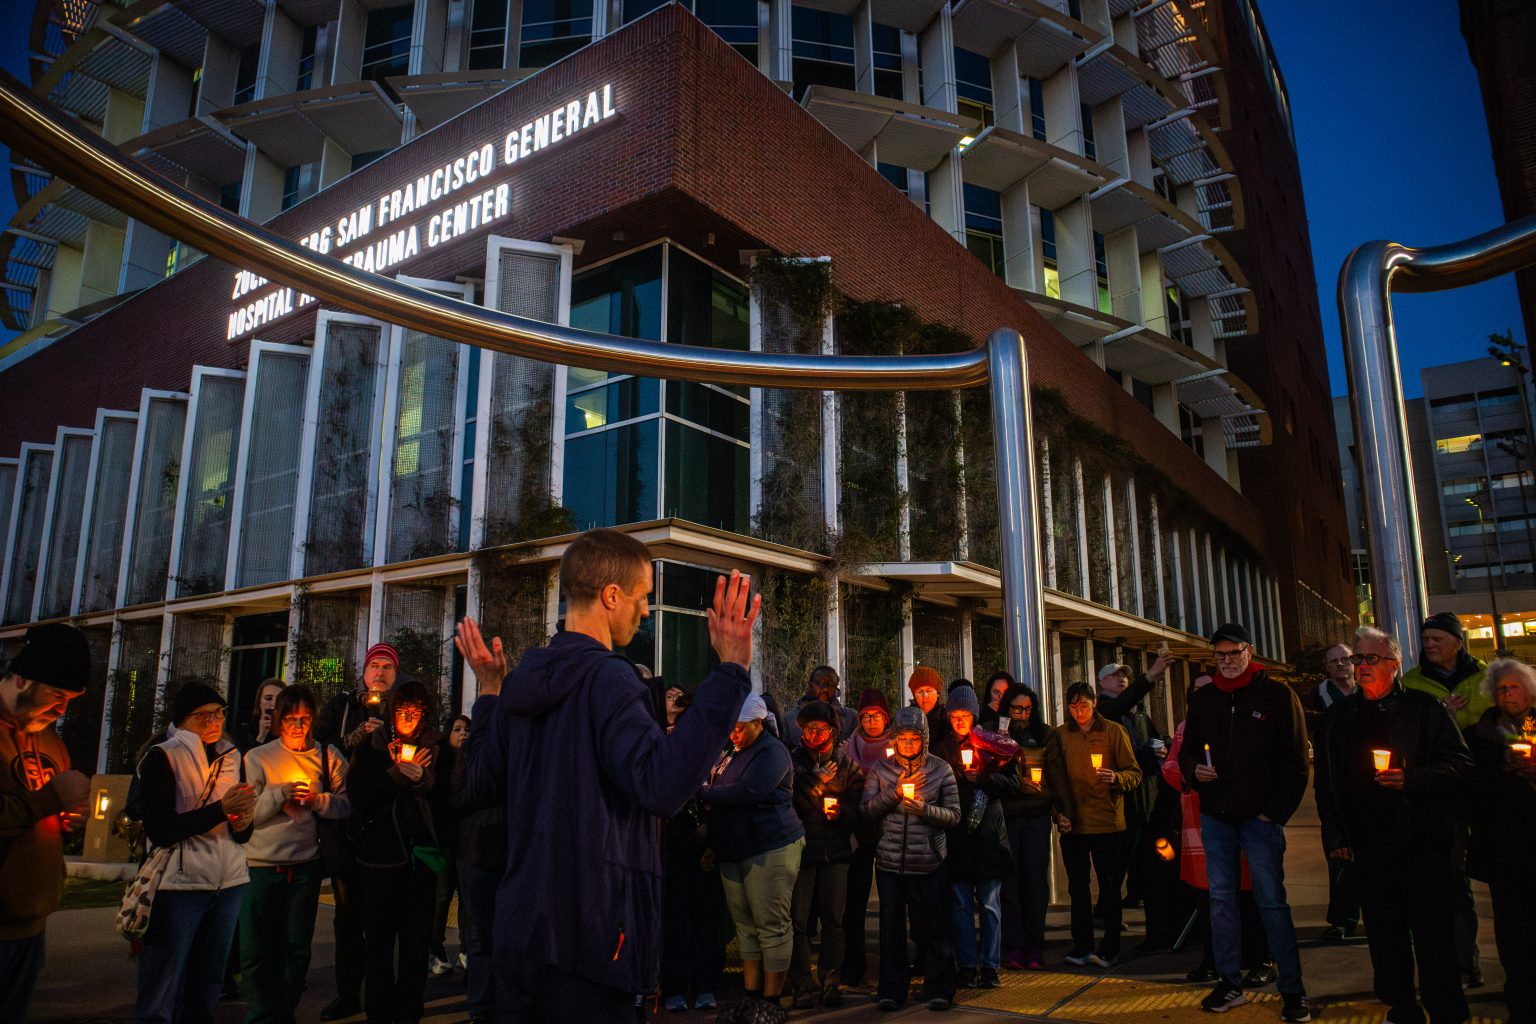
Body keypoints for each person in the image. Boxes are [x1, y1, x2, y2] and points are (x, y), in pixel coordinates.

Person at [457, 528, 758, 1021]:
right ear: (611, 596)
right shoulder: (610, 678)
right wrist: (730, 672)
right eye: (641, 597)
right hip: (593, 938)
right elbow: (661, 785)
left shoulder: (522, 681)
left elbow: (481, 781)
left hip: (522, 932)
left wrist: (489, 691)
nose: (646, 612)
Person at [1314, 627, 1473, 1024]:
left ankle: (1447, 1010)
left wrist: (1412, 778)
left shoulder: (1423, 709)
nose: (1362, 666)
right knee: (1385, 936)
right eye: (1358, 659)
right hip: (1369, 844)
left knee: (1434, 934)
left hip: (1423, 842)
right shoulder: (1339, 717)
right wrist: (1335, 835)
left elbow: (1460, 764)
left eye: (1371, 658)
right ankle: (1402, 1007)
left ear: (1394, 664)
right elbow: (1327, 784)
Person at [1176, 623, 1311, 1023]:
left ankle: (1293, 990)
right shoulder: (1205, 699)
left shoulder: (1277, 695)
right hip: (1217, 815)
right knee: (1221, 902)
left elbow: (1296, 760)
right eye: (1220, 655)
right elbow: (1185, 752)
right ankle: (1229, 982)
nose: (1227, 661)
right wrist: (1194, 770)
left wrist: (1274, 813)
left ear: (1249, 651)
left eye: (1234, 653)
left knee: (1271, 902)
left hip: (1259, 818)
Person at [133, 682, 256, 1024]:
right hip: (179, 887)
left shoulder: (232, 756)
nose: (214, 721)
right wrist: (221, 809)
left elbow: (241, 832)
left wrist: (244, 820)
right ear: (183, 719)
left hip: (228, 882)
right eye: (204, 715)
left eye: (218, 713)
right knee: (162, 985)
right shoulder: (163, 757)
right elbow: (161, 829)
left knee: (207, 984)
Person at [239, 684, 350, 1024]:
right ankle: (261, 1015)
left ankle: (285, 1011)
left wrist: (318, 801)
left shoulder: (327, 756)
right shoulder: (258, 757)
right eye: (291, 719)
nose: (298, 726)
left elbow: (347, 804)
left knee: (296, 949)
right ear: (278, 720)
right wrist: (279, 795)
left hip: (305, 867)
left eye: (305, 718)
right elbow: (248, 815)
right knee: (257, 949)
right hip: (262, 865)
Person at [0, 623, 92, 1020]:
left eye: (71, 699)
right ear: (22, 679)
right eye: (57, 695)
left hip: (32, 920)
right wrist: (49, 800)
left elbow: (40, 812)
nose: (62, 710)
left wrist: (66, 818)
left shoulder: (49, 740)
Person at [1163, 674, 1272, 986]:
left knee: (1248, 893)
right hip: (1199, 821)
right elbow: (1171, 767)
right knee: (1207, 896)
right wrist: (1192, 773)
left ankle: (1260, 959)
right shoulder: (1185, 729)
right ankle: (1213, 959)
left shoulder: (1243, 721)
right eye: (1197, 691)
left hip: (1240, 818)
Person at [700, 693, 805, 1010]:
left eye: (740, 727)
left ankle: (771, 998)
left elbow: (749, 791)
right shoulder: (731, 751)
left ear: (759, 723)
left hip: (769, 845)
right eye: (730, 727)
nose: (734, 733)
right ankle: (751, 993)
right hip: (734, 846)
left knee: (770, 924)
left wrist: (704, 792)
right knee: (745, 925)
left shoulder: (772, 752)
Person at [312, 641, 399, 1021]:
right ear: (363, 672)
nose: (379, 673)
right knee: (347, 917)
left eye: (387, 667)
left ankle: (382, 995)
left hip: (384, 828)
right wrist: (355, 737)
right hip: (345, 826)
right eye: (374, 666)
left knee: (381, 919)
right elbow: (320, 749)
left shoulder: (400, 709)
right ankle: (348, 993)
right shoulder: (342, 707)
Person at [346, 678, 441, 1024]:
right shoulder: (373, 746)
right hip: (379, 860)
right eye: (402, 710)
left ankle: (409, 1010)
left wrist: (424, 780)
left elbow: (447, 801)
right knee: (379, 943)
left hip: (421, 861)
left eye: (416, 711)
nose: (409, 717)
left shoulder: (436, 748)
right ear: (391, 711)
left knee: (416, 944)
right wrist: (395, 776)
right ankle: (379, 1010)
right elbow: (358, 795)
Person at [1399, 612, 1487, 986]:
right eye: (1426, 639)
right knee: (1452, 880)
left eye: (1438, 638)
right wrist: (1442, 715)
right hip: (1439, 793)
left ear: (1457, 642)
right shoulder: (1411, 682)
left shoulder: (1484, 678)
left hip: (1485, 789)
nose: (1430, 645)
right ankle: (1462, 963)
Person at [862, 706, 961, 1012]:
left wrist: (925, 810)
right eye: (902, 738)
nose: (908, 744)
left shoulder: (941, 770)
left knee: (935, 925)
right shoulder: (881, 769)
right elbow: (866, 809)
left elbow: (954, 815)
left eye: (914, 738)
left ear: (924, 739)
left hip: (930, 859)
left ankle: (939, 987)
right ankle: (892, 989)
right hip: (891, 860)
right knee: (891, 927)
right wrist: (892, 794)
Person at [1461, 657, 1536, 1024]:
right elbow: (1469, 791)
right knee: (1513, 933)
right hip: (1505, 851)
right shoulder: (1479, 736)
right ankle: (1521, 1004)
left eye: (1515, 687)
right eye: (1502, 688)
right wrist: (1500, 772)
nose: (1508, 693)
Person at [932, 684, 1017, 989]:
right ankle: (967, 965)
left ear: (974, 716)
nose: (960, 721)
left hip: (988, 836)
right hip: (957, 838)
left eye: (965, 715)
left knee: (991, 906)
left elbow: (1012, 784)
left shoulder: (992, 744)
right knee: (961, 906)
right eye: (955, 715)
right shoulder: (940, 748)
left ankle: (990, 966)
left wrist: (982, 778)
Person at [1055, 681, 1140, 969]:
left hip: (1107, 823)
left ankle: (1110, 948)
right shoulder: (1061, 735)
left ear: (1094, 704)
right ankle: (1082, 945)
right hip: (1074, 824)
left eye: (1084, 705)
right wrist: (1059, 813)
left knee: (1109, 887)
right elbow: (1055, 779)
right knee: (1078, 888)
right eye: (1073, 706)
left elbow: (1134, 772)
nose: (1079, 712)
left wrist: (1116, 778)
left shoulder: (1113, 731)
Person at [787, 699, 862, 1008]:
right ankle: (801, 982)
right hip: (802, 852)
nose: (814, 734)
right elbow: (790, 806)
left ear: (833, 731)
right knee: (798, 921)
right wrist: (816, 784)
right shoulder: (793, 763)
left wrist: (840, 813)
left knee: (833, 919)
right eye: (809, 728)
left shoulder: (846, 765)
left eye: (821, 729)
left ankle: (831, 979)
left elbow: (858, 810)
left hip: (835, 853)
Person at [997, 682, 1070, 971]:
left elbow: (1056, 772)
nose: (1022, 714)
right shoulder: (997, 733)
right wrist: (1017, 785)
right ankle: (1015, 945)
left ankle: (1035, 945)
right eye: (1017, 709)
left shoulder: (1044, 734)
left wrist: (1064, 811)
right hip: (1008, 814)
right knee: (1011, 883)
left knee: (1035, 882)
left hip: (1037, 815)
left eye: (1027, 709)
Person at [659, 692, 723, 1014]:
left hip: (703, 849)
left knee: (704, 920)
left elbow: (718, 798)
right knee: (676, 920)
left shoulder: (713, 752)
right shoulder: (663, 749)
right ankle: (674, 985)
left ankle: (704, 984)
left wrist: (712, 843)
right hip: (672, 848)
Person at [1096, 654, 1171, 909]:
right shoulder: (1105, 710)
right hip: (1121, 788)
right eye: (1115, 675)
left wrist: (1163, 747)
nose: (1121, 678)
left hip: (1146, 784)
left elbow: (1155, 736)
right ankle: (1107, 905)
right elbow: (1121, 704)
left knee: (1144, 844)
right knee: (1122, 848)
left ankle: (1136, 893)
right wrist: (1150, 676)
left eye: (1124, 675)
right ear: (1101, 682)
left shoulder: (1137, 711)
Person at [1300, 643, 1360, 942]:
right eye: (1333, 661)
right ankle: (1342, 920)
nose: (1340, 664)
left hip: (1369, 780)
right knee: (1338, 853)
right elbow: (1303, 720)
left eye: (1345, 659)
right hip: (1332, 782)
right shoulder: (1318, 696)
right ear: (1326, 667)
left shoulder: (1368, 691)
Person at [450, 709, 503, 1024]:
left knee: (504, 935)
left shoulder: (518, 746)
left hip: (509, 852)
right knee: (480, 935)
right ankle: (481, 1008)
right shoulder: (471, 751)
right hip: (476, 851)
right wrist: (483, 788)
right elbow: (456, 799)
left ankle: (502, 1002)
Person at [841, 688, 893, 988]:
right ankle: (853, 963)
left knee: (891, 903)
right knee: (854, 903)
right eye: (866, 716)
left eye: (877, 715)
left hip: (888, 832)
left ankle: (891, 964)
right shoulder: (847, 749)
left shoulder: (898, 748)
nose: (872, 721)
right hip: (857, 833)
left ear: (886, 718)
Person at [427, 714, 468, 976]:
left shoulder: (473, 762)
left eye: (466, 729)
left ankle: (466, 948)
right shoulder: (442, 764)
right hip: (444, 841)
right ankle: (435, 949)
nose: (463, 733)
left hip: (465, 842)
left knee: (466, 897)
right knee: (441, 897)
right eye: (457, 729)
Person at [783, 666, 857, 747]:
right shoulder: (790, 718)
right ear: (811, 684)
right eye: (821, 684)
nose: (825, 689)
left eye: (831, 685)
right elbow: (783, 751)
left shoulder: (851, 717)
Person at [237, 678, 286, 753]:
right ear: (259, 702)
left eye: (279, 699)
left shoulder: (292, 730)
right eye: (268, 698)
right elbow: (247, 758)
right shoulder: (246, 733)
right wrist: (261, 736)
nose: (274, 704)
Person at [908, 667, 950, 747]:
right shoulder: (905, 719)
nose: (925, 696)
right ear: (914, 695)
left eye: (929, 690)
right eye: (920, 691)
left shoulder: (947, 720)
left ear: (937, 693)